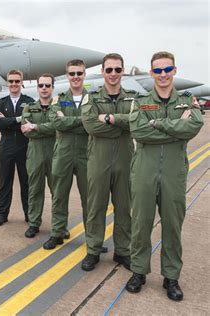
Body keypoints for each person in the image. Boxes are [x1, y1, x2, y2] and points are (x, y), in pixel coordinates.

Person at [126, 52, 203, 300]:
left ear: (174, 70)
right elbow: (138, 131)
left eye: (166, 69)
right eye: (157, 70)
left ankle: (171, 277)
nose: (162, 75)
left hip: (173, 173)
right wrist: (174, 129)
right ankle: (138, 271)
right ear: (151, 73)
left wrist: (158, 124)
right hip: (144, 172)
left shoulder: (187, 100)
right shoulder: (140, 101)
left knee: (172, 225)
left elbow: (193, 126)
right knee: (140, 224)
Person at [80, 53, 138, 271]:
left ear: (122, 71)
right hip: (98, 161)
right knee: (96, 207)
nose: (113, 74)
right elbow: (90, 126)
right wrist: (122, 126)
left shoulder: (133, 98)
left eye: (117, 69)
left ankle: (123, 251)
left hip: (125, 159)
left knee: (124, 207)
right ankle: (93, 250)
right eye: (109, 69)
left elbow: (137, 123)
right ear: (103, 72)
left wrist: (110, 118)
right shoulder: (92, 98)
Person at [42, 60, 89, 249]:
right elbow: (56, 123)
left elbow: (92, 123)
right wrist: (82, 121)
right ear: (67, 75)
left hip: (87, 153)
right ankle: (57, 232)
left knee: (90, 198)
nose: (76, 77)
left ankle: (92, 238)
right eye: (72, 73)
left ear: (84, 74)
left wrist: (68, 121)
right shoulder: (58, 99)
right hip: (63, 153)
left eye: (79, 73)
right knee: (59, 195)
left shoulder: (92, 99)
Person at [0, 70, 35, 226]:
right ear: (7, 83)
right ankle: (1, 214)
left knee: (27, 183)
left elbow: (30, 121)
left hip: (25, 148)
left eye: (17, 81)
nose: (14, 84)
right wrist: (17, 120)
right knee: (4, 183)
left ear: (21, 82)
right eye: (11, 81)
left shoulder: (30, 102)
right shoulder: (1, 103)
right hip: (6, 148)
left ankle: (30, 214)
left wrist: (8, 121)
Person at [20, 74, 56, 238]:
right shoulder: (29, 107)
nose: (44, 88)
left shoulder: (58, 108)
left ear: (52, 87)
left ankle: (59, 226)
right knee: (35, 190)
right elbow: (25, 130)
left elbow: (58, 127)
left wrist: (35, 127)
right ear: (37, 88)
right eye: (41, 85)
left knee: (58, 191)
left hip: (55, 153)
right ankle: (34, 223)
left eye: (47, 85)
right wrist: (45, 129)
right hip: (35, 153)